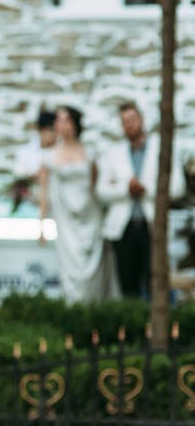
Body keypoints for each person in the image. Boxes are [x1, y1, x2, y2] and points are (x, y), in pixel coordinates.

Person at [96, 102, 185, 298]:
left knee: (155, 282)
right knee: (128, 285)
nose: (129, 125)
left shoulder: (161, 148)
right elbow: (101, 190)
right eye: (124, 122)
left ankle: (154, 328)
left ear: (141, 119)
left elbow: (177, 187)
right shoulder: (114, 153)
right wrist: (125, 190)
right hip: (124, 228)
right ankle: (133, 326)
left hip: (152, 225)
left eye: (132, 120)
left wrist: (146, 189)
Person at [39, 106, 116, 302]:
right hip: (66, 221)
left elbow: (97, 186)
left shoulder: (89, 152)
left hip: (91, 216)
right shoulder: (49, 155)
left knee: (95, 271)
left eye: (64, 120)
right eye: (58, 120)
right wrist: (42, 225)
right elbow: (44, 192)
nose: (59, 124)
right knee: (70, 269)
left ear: (74, 124)